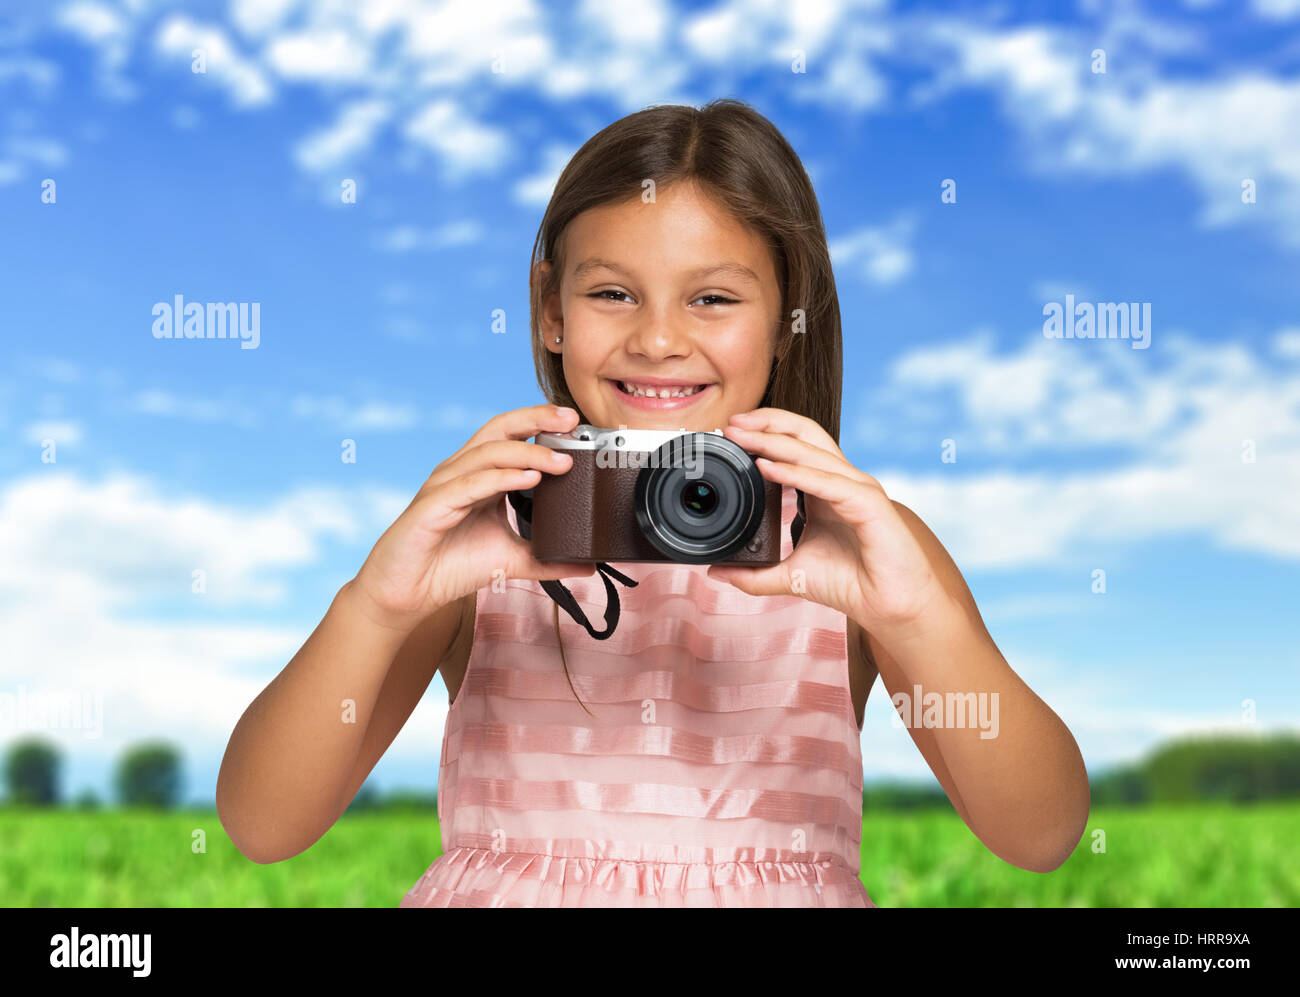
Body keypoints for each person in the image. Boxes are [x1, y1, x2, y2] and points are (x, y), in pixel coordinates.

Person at [216, 98, 1090, 907]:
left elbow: (1041, 832)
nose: (660, 339)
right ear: (548, 309)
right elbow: (264, 825)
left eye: (713, 298)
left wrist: (919, 618)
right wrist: (375, 606)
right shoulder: (484, 535)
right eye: (611, 293)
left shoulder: (852, 543)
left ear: (790, 318)